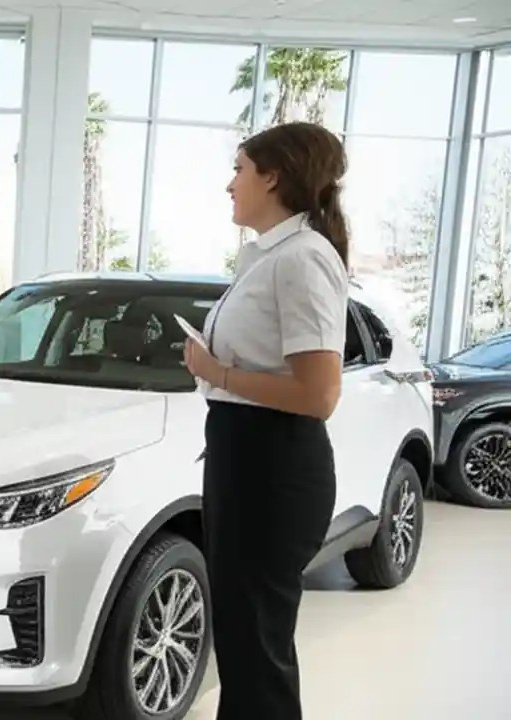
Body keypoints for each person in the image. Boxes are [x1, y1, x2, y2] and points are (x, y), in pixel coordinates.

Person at [182, 121, 350, 720]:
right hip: (246, 457)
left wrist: (217, 372)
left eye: (239, 170)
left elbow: (318, 392)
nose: (230, 185)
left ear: (272, 176)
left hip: (272, 470)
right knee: (245, 645)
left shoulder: (303, 259)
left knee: (256, 649)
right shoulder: (267, 256)